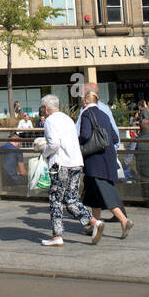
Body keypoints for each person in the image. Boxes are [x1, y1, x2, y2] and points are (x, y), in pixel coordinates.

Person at [37, 94, 103, 246]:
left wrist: (44, 153)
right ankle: (94, 222)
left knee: (56, 199)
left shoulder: (50, 121)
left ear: (46, 108)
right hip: (76, 162)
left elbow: (53, 144)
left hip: (61, 164)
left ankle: (57, 235)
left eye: (42, 108)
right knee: (71, 199)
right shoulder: (68, 119)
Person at [79, 89, 131, 239]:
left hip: (94, 160)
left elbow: (85, 135)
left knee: (104, 191)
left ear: (86, 101)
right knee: (93, 193)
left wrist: (77, 143)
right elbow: (114, 138)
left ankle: (124, 220)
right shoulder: (104, 114)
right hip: (107, 158)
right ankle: (94, 225)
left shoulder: (87, 114)